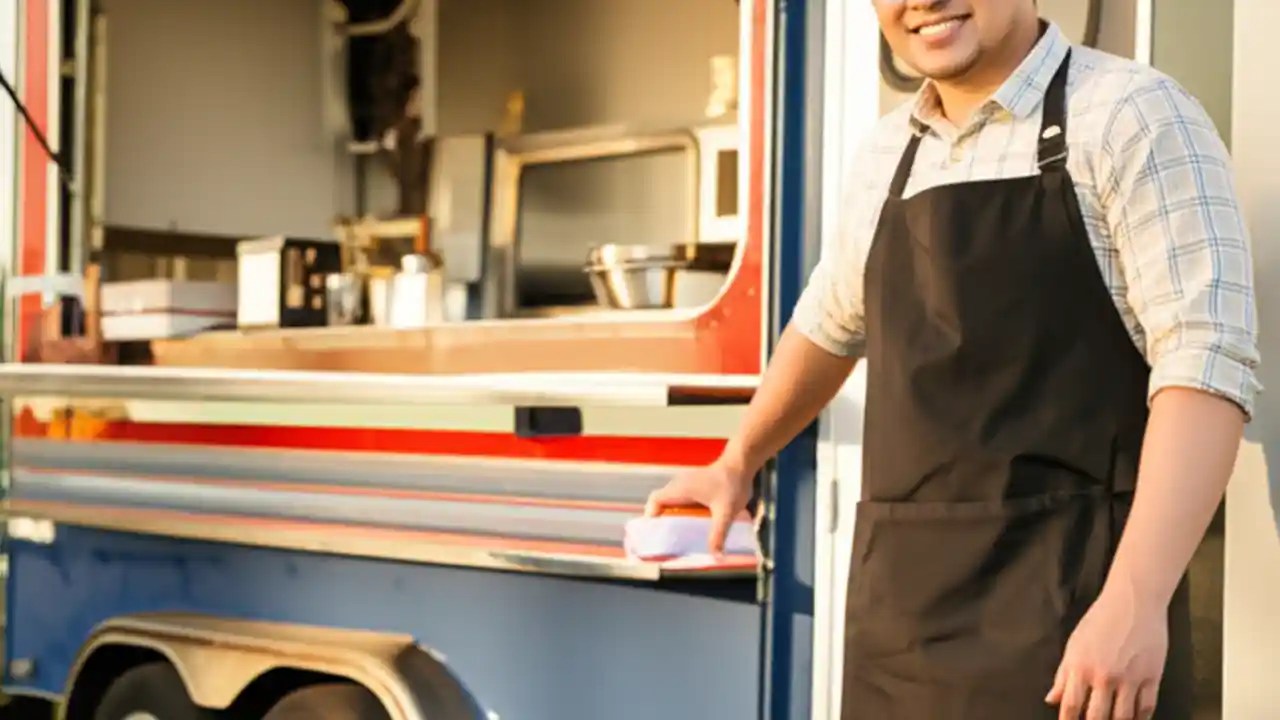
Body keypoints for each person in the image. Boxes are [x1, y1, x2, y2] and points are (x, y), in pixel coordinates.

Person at [645, 1, 1261, 718]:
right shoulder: (885, 154)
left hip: (1074, 628)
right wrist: (738, 458)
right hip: (900, 636)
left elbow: (1206, 367)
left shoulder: (1133, 115)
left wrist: (1136, 599)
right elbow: (828, 322)